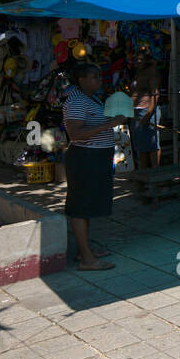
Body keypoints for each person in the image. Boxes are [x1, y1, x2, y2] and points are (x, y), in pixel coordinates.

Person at [61, 62, 128, 271]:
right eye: (95, 77)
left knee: (87, 206)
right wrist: (110, 124)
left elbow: (91, 124)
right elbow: (75, 134)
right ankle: (87, 260)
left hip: (96, 157)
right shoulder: (76, 101)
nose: (99, 81)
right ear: (81, 80)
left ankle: (84, 250)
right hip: (85, 158)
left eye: (100, 77)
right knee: (80, 208)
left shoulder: (91, 99)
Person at [130, 53, 162, 169]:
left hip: (147, 112)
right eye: (136, 59)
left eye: (141, 59)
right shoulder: (139, 73)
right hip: (137, 112)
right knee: (141, 146)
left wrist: (148, 114)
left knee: (152, 145)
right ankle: (143, 174)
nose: (138, 61)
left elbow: (155, 94)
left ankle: (155, 173)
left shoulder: (151, 73)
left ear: (147, 60)